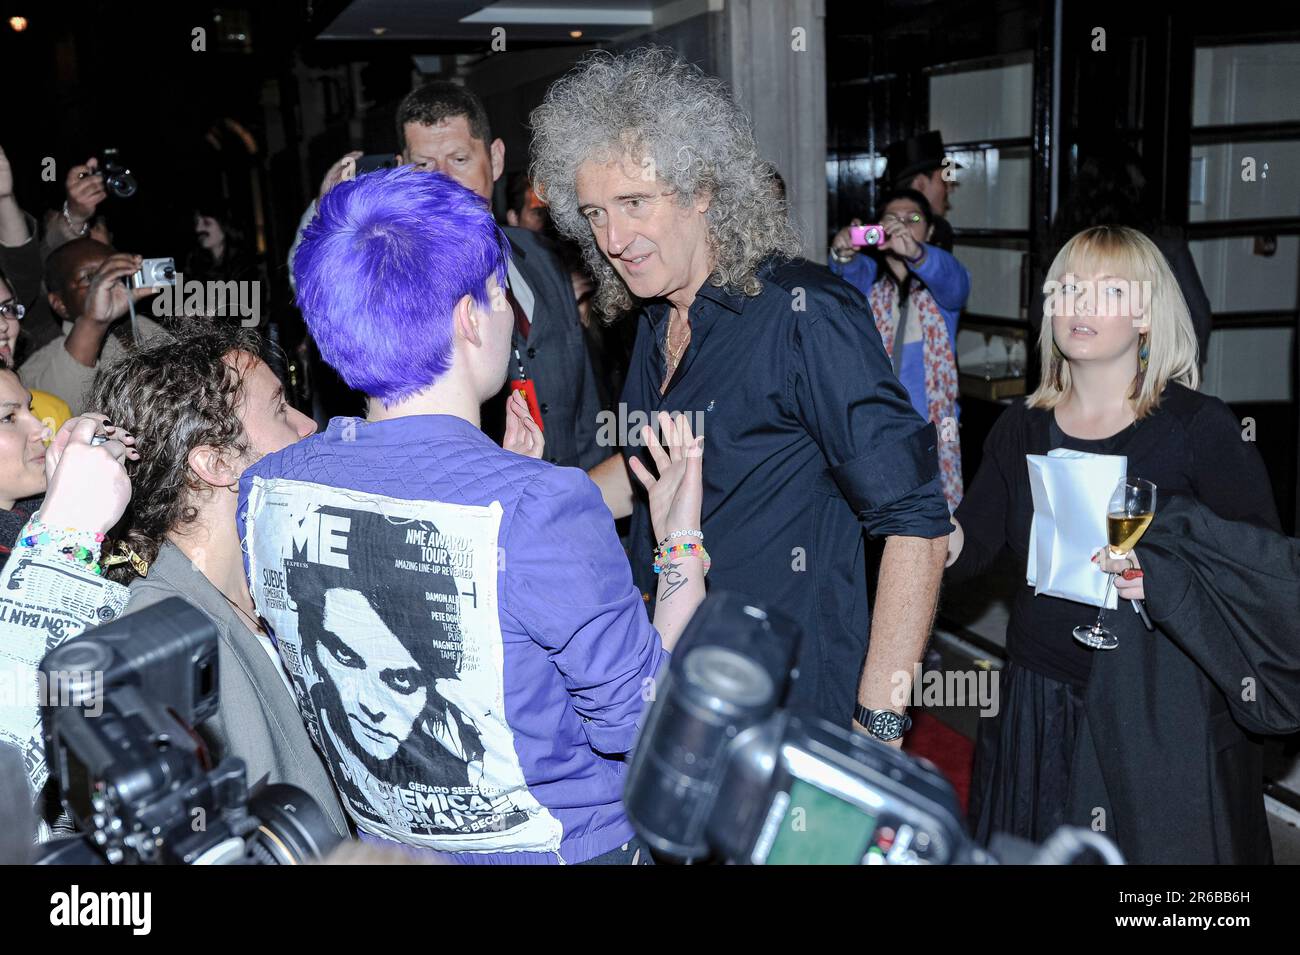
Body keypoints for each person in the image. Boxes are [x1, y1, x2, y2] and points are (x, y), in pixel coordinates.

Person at [242, 165, 705, 865]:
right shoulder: (542, 506)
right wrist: (678, 550)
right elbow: (644, 722)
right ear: (467, 319)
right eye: (496, 295)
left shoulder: (265, 487)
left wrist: (498, 470)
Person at [531, 47, 951, 738]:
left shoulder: (804, 313)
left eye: (635, 204)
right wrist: (524, 502)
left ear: (702, 190)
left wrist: (878, 727)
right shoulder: (658, 314)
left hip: (789, 703)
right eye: (595, 214)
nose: (613, 238)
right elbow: (640, 467)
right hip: (674, 677)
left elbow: (917, 524)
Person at [945, 224, 1280, 863]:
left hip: (1154, 708)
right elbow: (975, 543)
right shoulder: (1023, 425)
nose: (1079, 304)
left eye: (1107, 290)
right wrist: (926, 531)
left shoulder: (1199, 428)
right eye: (1068, 287)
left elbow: (1258, 570)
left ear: (1148, 314)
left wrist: (1164, 582)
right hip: (1038, 700)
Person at [0, 326, 352, 839]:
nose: (309, 426)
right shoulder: (162, 642)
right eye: (280, 409)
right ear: (214, 463)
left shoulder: (279, 585)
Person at [292, 82, 605, 470]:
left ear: (495, 157)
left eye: (459, 159)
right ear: (401, 166)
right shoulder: (391, 285)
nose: (442, 180)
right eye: (423, 165)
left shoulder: (543, 255)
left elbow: (586, 409)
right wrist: (325, 214)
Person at [829, 188, 970, 509]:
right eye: (891, 219)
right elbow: (845, 277)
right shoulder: (867, 282)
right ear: (875, 231)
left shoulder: (941, 289)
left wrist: (917, 253)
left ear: (930, 231)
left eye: (914, 219)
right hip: (874, 436)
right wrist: (842, 253)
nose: (902, 226)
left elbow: (955, 281)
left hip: (933, 436)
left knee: (935, 529)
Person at [19, 237, 167, 414]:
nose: (107, 283)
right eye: (89, 278)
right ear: (60, 303)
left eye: (113, 273)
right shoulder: (37, 367)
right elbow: (57, 410)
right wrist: (93, 322)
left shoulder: (142, 327)